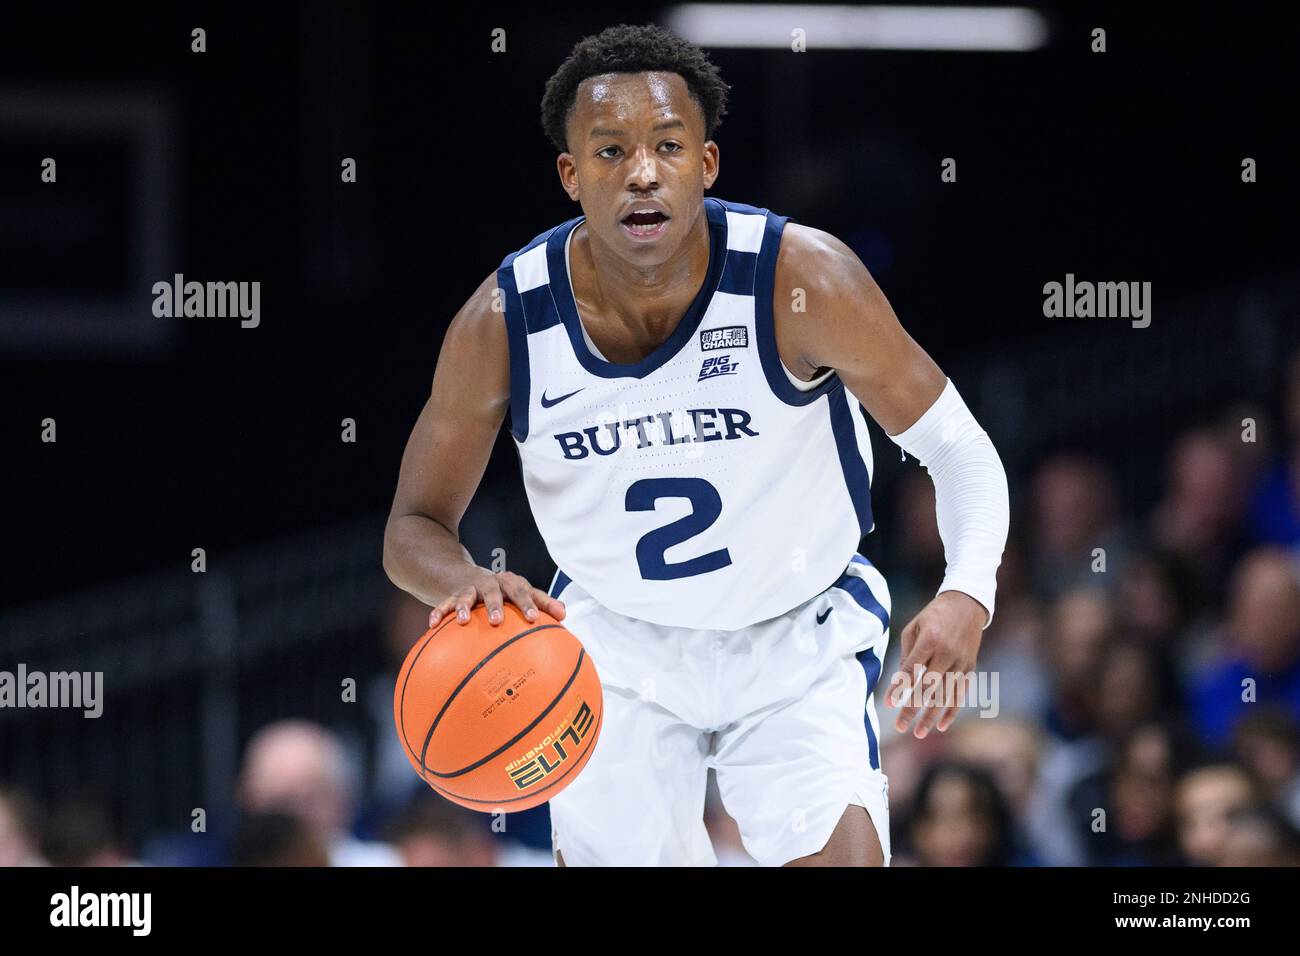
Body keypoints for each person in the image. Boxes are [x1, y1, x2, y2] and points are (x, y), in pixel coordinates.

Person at [383, 23, 1009, 867]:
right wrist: (466, 584)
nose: (642, 171)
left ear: (705, 166)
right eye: (609, 152)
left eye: (667, 146)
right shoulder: (504, 321)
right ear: (571, 177)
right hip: (613, 647)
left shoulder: (802, 279)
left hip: (796, 633)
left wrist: (967, 593)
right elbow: (413, 527)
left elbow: (960, 447)